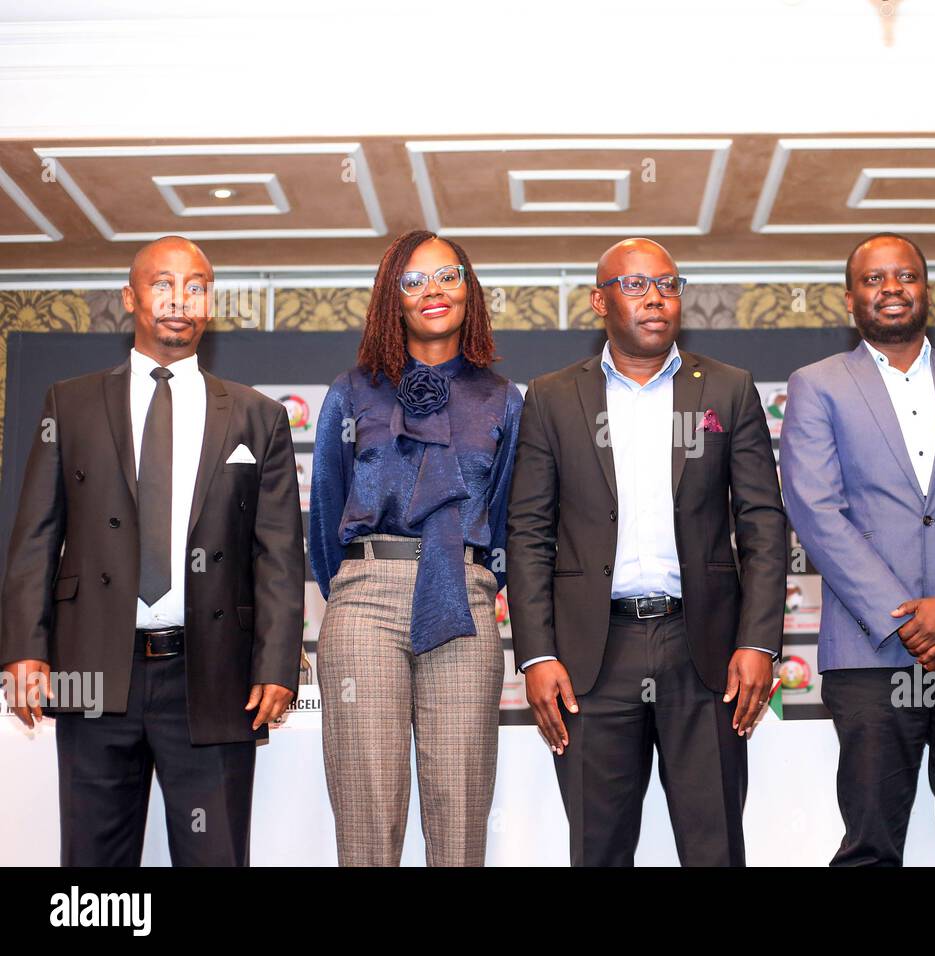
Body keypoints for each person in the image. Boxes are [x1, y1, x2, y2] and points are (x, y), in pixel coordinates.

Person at [0, 236, 303, 866]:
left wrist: (275, 662)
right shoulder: (71, 404)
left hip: (214, 674)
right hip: (93, 672)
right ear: (129, 297)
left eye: (195, 286)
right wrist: (26, 648)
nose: (179, 300)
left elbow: (277, 553)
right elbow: (35, 534)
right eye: (162, 284)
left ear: (209, 301)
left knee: (215, 854)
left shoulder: (258, 416)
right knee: (93, 869)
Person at [506, 238, 786, 866]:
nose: (656, 297)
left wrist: (759, 641)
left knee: (714, 846)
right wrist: (537, 654)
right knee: (597, 850)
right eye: (634, 285)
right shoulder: (551, 397)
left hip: (705, 649)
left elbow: (763, 525)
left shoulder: (728, 388)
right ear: (598, 301)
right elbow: (527, 531)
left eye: (668, 283)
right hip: (589, 658)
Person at [782, 233, 935, 867]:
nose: (890, 288)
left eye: (905, 276)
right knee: (870, 846)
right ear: (849, 301)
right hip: (871, 650)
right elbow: (816, 509)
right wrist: (912, 618)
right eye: (873, 279)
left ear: (926, 290)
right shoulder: (816, 385)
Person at [309, 229, 522, 866]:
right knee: (367, 812)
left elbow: (509, 518)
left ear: (468, 289)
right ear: (391, 299)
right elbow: (324, 515)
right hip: (365, 604)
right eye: (413, 280)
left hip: (464, 603)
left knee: (460, 813)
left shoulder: (504, 400)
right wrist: (357, 586)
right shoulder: (352, 392)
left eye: (447, 276)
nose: (433, 290)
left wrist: (475, 579)